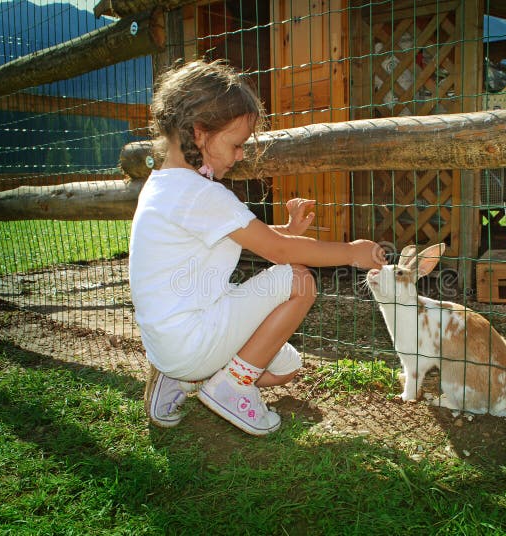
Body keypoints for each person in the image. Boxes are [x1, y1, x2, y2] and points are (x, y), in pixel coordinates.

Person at [129, 59, 386, 436]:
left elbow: (242, 237)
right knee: (298, 281)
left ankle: (184, 379)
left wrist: (287, 229)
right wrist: (351, 252)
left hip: (170, 343)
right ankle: (229, 387)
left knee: (286, 368)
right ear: (200, 134)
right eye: (236, 144)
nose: (240, 156)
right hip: (193, 340)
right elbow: (279, 252)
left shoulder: (164, 185)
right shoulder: (202, 193)